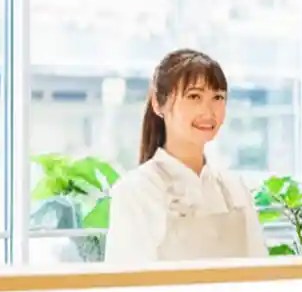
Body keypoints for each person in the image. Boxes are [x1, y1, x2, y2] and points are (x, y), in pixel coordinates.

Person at [104, 49, 268, 264]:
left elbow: (262, 274)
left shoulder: (236, 189)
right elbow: (127, 286)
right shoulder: (137, 191)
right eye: (194, 96)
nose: (208, 111)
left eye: (217, 97)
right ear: (158, 103)